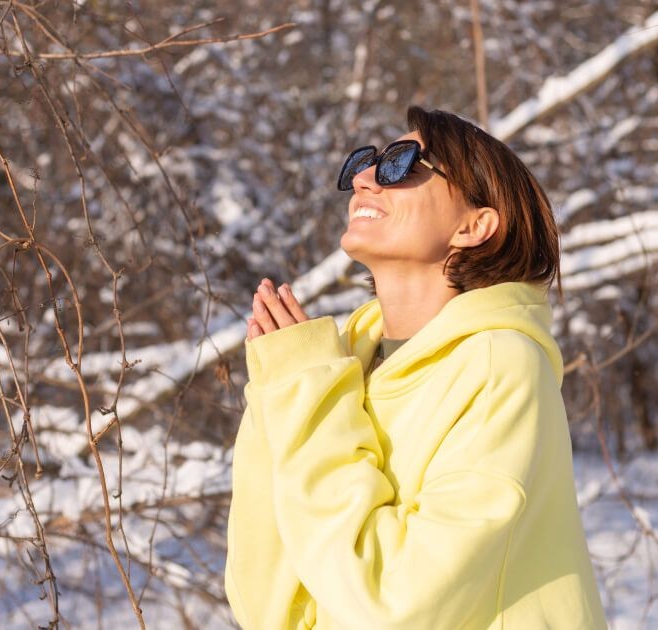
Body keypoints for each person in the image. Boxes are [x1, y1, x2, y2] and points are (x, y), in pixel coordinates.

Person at [225, 106, 607, 629]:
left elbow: (395, 601)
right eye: (365, 162)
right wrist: (285, 388)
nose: (362, 179)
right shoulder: (333, 364)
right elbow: (267, 600)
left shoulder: (500, 364)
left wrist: (308, 396)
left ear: (476, 225)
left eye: (401, 164)